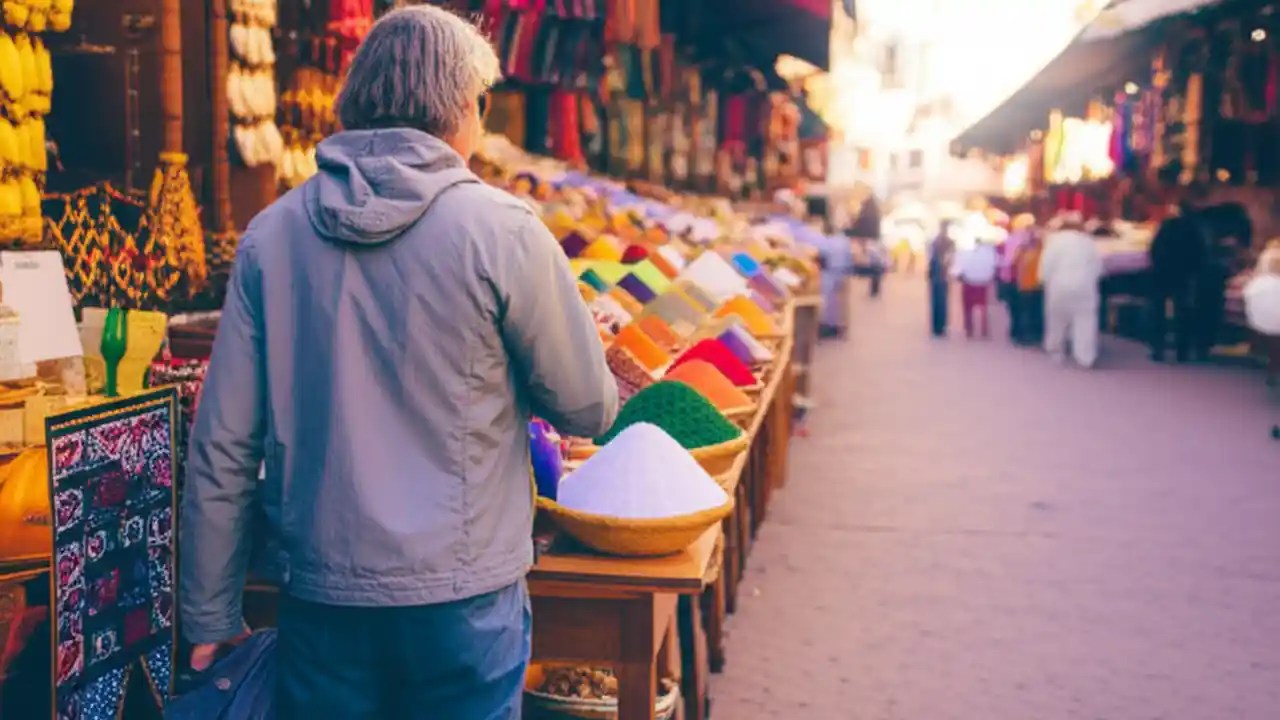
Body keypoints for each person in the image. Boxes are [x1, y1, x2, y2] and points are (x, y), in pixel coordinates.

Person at [179, 7, 619, 718]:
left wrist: (209, 615)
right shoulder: (504, 232)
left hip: (323, 600)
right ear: (462, 110)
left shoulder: (273, 236)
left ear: (355, 99)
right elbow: (587, 407)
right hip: (466, 609)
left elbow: (224, 446)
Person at [1039, 212, 1105, 367]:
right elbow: (1098, 266)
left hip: (1058, 286)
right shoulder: (1088, 242)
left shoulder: (1053, 242)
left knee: (1057, 319)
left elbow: (1046, 265)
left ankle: (1055, 349)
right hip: (1084, 286)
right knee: (1085, 320)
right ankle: (1085, 357)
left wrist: (1044, 280)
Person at [1147, 192, 1206, 362]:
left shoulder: (1167, 226)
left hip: (1162, 272)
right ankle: (1182, 350)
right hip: (1184, 275)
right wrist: (1194, 272)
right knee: (1183, 310)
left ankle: (1157, 348)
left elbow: (1154, 249)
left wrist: (1156, 265)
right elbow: (1200, 254)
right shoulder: (1195, 229)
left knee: (1158, 309)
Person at [998, 213, 1035, 342]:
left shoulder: (1011, 238)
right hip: (1020, 277)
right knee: (1022, 307)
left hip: (1011, 278)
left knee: (1015, 307)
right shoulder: (1025, 239)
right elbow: (1013, 259)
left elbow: (1006, 259)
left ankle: (1015, 332)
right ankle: (1021, 334)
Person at [952, 236, 999, 339]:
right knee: (984, 308)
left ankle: (969, 330)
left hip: (969, 283)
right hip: (983, 284)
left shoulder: (966, 254)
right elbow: (995, 266)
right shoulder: (989, 254)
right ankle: (984, 330)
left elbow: (958, 270)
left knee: (967, 308)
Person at [1014, 229, 1045, 345]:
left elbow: (1014, 262)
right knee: (1033, 312)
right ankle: (1032, 336)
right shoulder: (1041, 251)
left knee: (1028, 312)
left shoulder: (1024, 250)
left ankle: (1027, 337)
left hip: (1029, 287)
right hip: (1034, 286)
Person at [927, 221, 956, 337]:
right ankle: (942, 326)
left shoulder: (934, 242)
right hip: (943, 273)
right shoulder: (950, 243)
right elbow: (951, 259)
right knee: (943, 300)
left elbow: (929, 257)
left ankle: (935, 326)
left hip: (935, 272)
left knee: (935, 299)